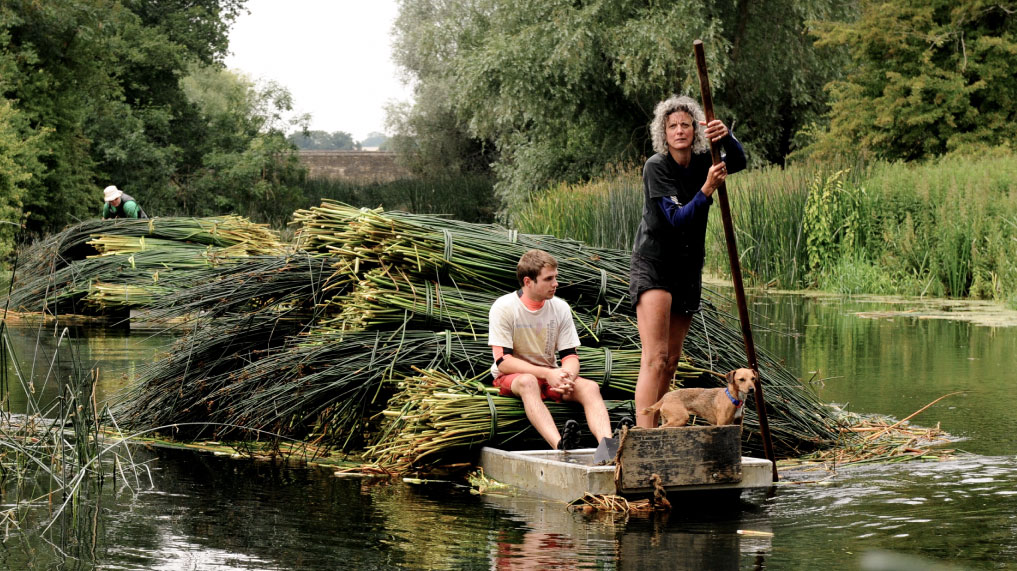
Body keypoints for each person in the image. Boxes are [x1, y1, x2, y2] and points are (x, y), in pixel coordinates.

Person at [631, 95, 747, 428]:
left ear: (695, 130)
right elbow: (677, 219)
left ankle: (661, 430)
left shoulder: (701, 161)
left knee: (672, 361)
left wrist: (725, 136)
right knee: (655, 359)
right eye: (672, 126)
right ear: (663, 133)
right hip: (654, 265)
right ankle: (645, 435)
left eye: (685, 124)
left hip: (687, 268)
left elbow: (737, 162)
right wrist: (707, 189)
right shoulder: (656, 166)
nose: (679, 130)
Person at [488, 249, 614, 451]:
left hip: (551, 376)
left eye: (556, 277)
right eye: (548, 279)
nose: (555, 283)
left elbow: (570, 356)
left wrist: (567, 378)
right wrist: (548, 373)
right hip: (515, 377)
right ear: (528, 282)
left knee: (590, 388)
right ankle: (560, 446)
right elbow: (503, 361)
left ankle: (608, 449)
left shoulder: (560, 307)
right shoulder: (504, 307)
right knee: (529, 381)